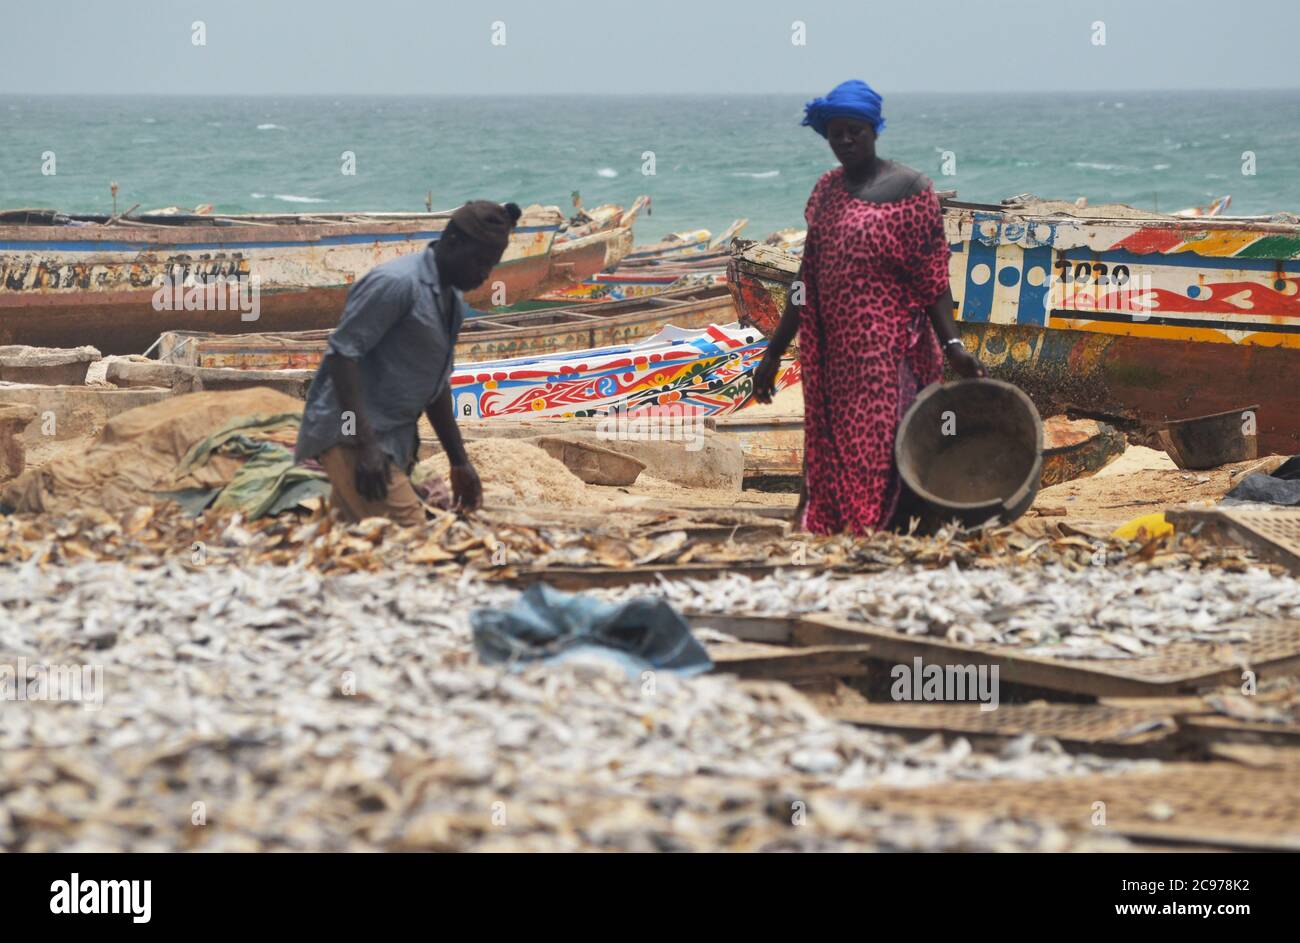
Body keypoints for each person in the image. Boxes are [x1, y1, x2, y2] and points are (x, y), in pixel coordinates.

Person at [752, 79, 985, 536]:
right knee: (830, 447)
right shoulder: (826, 191)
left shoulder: (911, 189)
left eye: (854, 130)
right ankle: (837, 534)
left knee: (883, 447)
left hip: (891, 350)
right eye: (836, 132)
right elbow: (807, 276)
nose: (845, 141)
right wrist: (775, 350)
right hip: (830, 354)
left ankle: (880, 537)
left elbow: (933, 279)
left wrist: (953, 344)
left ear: (874, 129)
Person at [294, 200, 523, 525]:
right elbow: (342, 356)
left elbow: (436, 385)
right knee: (410, 534)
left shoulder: (451, 303)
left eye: (491, 266)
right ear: (453, 241)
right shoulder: (397, 284)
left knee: (353, 544)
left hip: (393, 444)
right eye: (480, 261)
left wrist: (460, 462)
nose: (484, 275)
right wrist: (365, 447)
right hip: (352, 439)